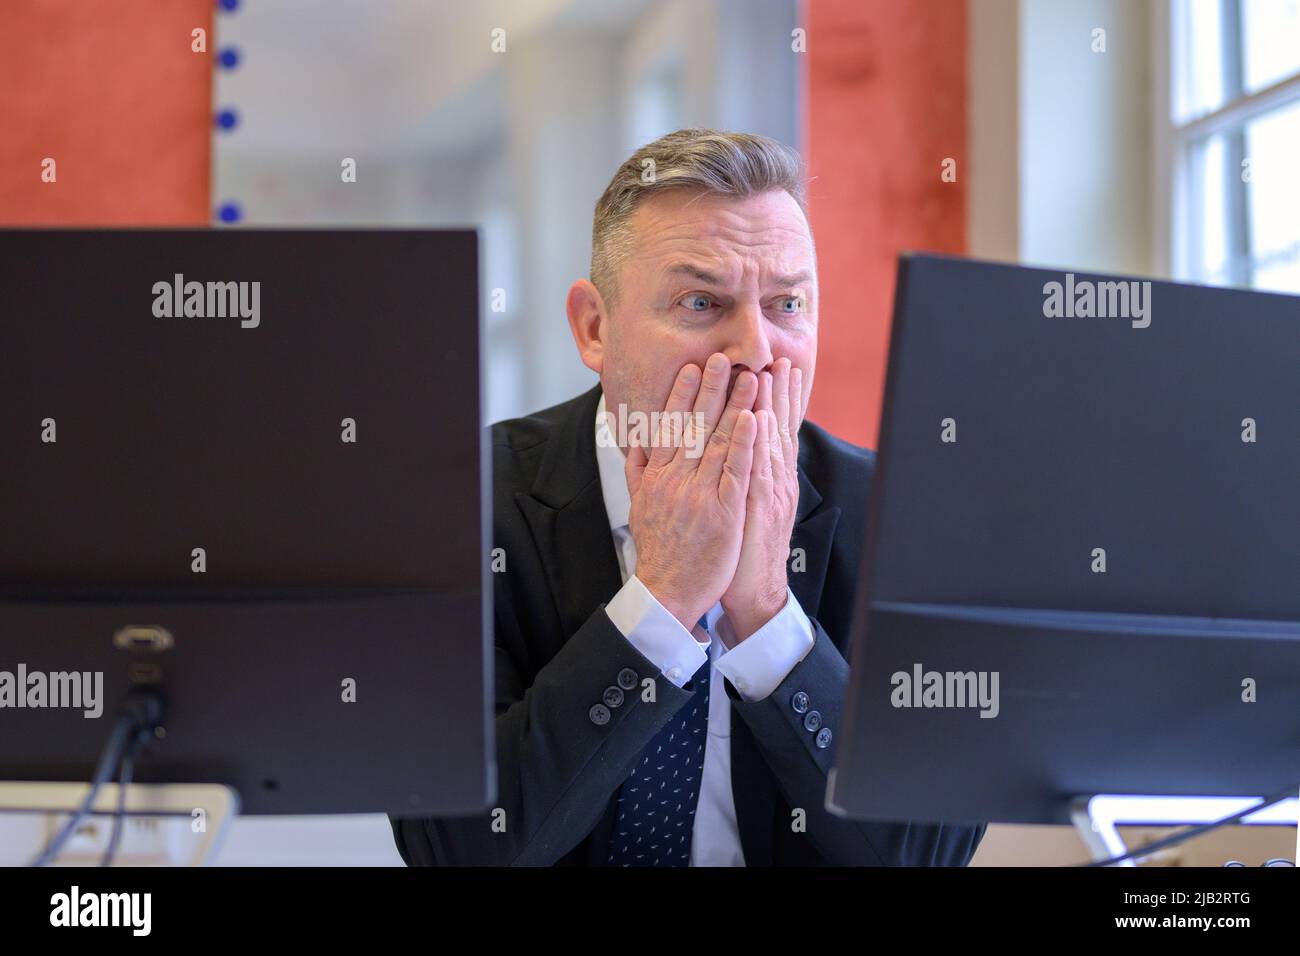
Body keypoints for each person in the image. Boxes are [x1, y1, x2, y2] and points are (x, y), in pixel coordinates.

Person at [391, 128, 986, 866]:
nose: (756, 351)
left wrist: (766, 615)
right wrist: (664, 600)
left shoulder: (895, 512)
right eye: (702, 302)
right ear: (595, 328)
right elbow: (452, 845)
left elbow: (929, 849)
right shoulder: (461, 503)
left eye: (787, 303)